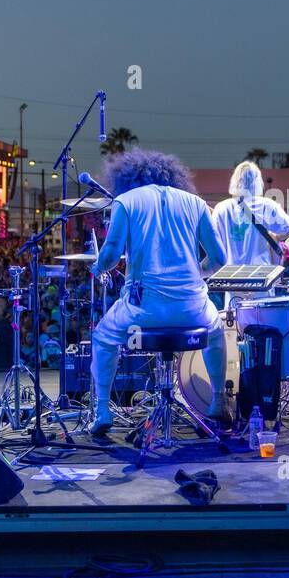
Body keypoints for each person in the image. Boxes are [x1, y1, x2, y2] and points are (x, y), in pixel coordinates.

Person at [89, 148, 229, 438]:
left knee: (103, 337)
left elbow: (112, 254)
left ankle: (102, 409)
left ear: (126, 179)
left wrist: (98, 266)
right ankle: (217, 400)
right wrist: (195, 273)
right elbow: (218, 258)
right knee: (215, 331)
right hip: (192, 310)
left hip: (143, 312)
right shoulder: (196, 203)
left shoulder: (125, 202)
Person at [209, 160, 289, 268]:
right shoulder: (266, 205)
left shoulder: (221, 208)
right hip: (260, 274)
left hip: (229, 274)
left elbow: (213, 241)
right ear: (257, 181)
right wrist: (275, 237)